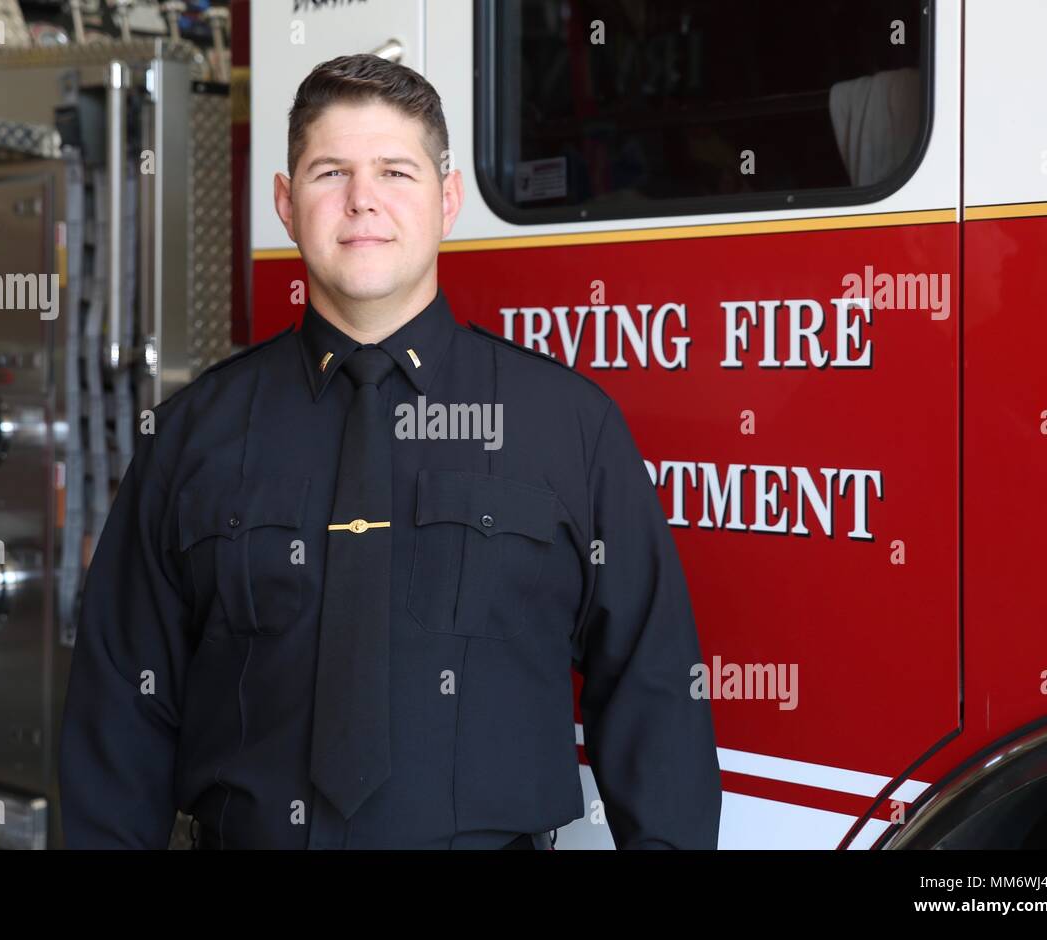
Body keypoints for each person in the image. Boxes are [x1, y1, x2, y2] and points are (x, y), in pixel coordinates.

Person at [59, 53, 721, 850]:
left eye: (396, 172)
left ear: (447, 202)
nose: (362, 200)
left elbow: (654, 697)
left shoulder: (570, 428)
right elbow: (118, 715)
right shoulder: (189, 436)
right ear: (284, 202)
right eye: (330, 171)